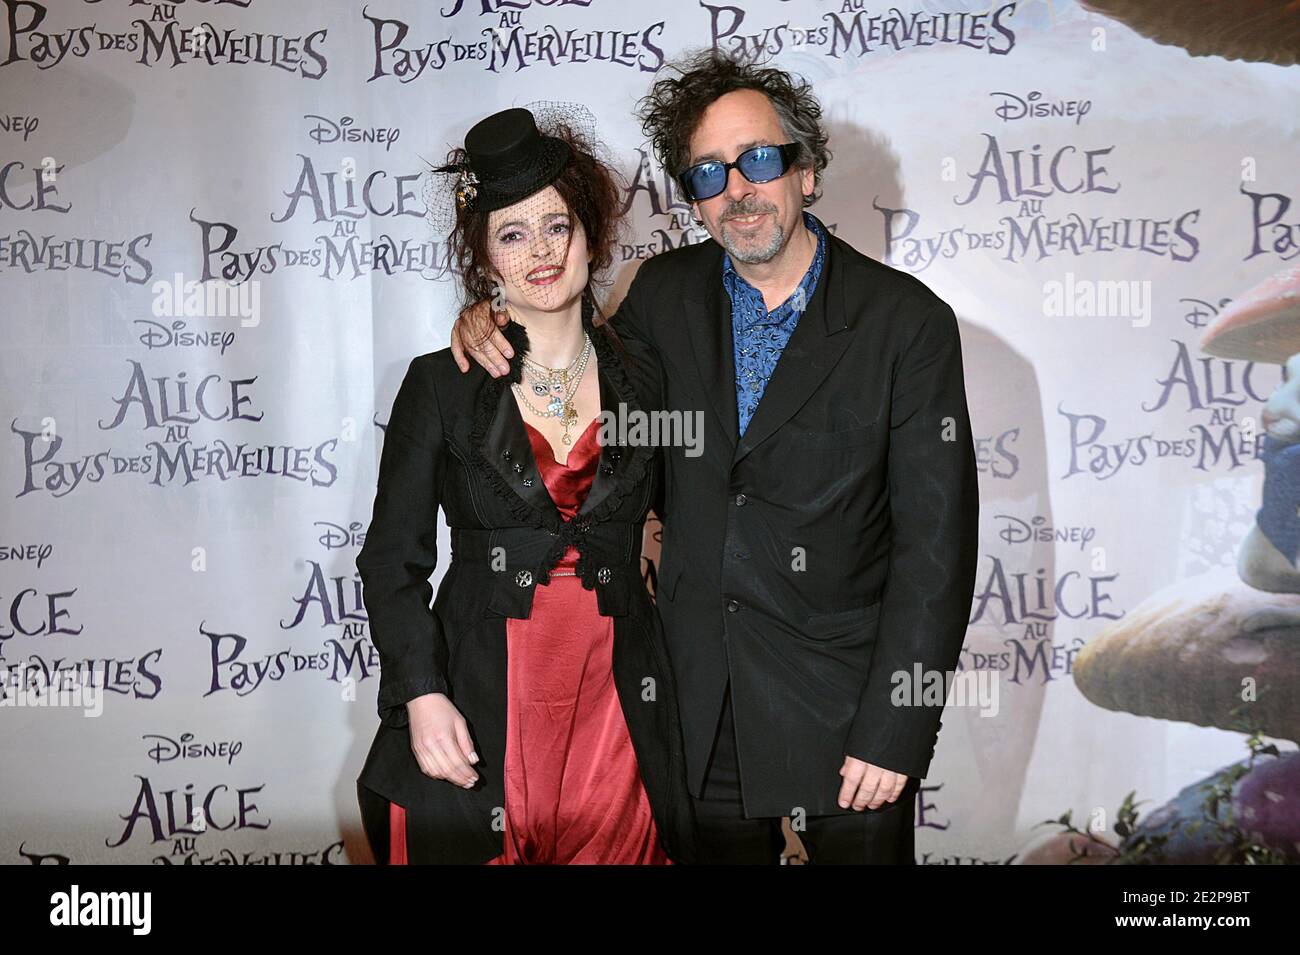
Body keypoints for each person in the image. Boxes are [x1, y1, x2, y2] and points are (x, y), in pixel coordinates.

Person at [451, 51, 981, 865]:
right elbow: (582, 392)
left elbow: (934, 554)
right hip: (696, 711)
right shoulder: (660, 296)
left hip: (848, 718)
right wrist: (492, 319)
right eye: (707, 173)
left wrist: (899, 727)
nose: (737, 190)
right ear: (692, 198)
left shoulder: (905, 324)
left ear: (806, 173)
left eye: (760, 161)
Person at [354, 105, 696, 865]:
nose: (538, 252)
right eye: (512, 234)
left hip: (618, 713)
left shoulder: (646, 378)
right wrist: (421, 693)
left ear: (590, 237)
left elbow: (703, 520)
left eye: (556, 228)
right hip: (479, 707)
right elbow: (391, 563)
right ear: (485, 259)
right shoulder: (441, 385)